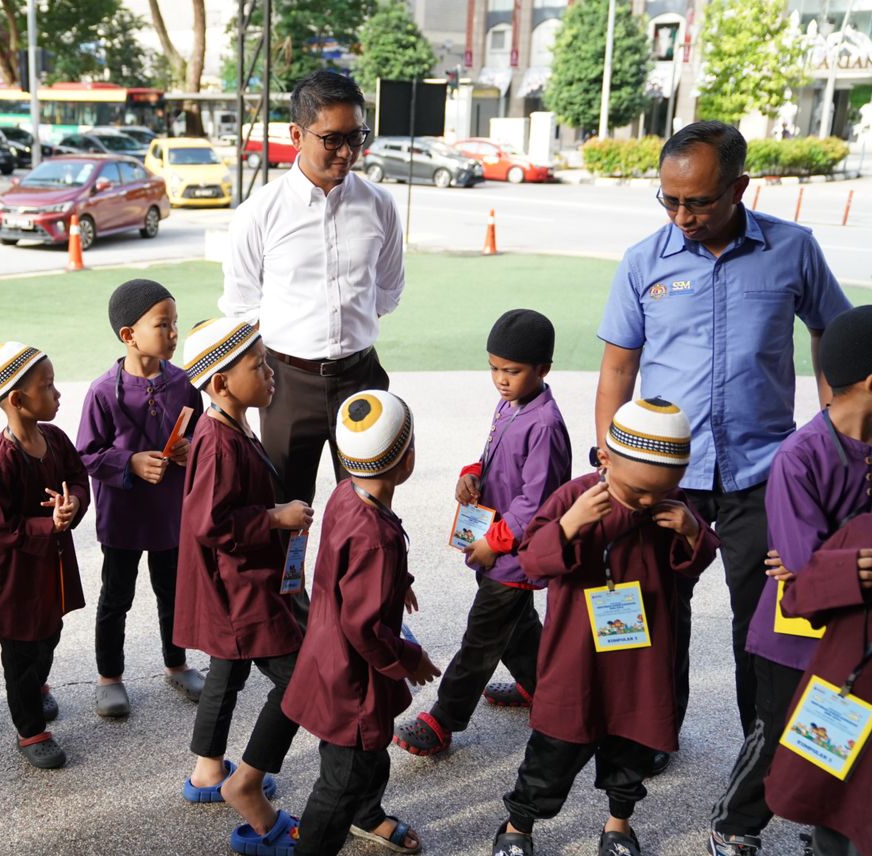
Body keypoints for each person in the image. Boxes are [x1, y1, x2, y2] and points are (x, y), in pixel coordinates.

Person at [594, 121, 851, 769]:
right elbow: (618, 370)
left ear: (739, 187)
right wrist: (611, 461)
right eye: (669, 199)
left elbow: (833, 333)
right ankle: (651, 736)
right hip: (662, 477)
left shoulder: (794, 250)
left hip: (763, 477)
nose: (682, 215)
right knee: (657, 612)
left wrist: (833, 424)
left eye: (699, 202)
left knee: (762, 621)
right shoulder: (642, 262)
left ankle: (759, 752)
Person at [492, 399, 719, 856]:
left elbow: (696, 561)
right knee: (551, 754)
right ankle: (518, 826)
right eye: (637, 492)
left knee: (630, 754)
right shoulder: (574, 498)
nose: (648, 502)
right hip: (576, 662)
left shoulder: (671, 506)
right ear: (605, 459)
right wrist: (570, 526)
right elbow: (532, 562)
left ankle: (618, 824)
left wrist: (693, 530)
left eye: (662, 491)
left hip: (641, 666)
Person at [707, 306, 872, 856]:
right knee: (781, 731)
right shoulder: (801, 456)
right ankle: (733, 822)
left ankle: (828, 823)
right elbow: (801, 570)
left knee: (847, 732)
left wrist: (834, 559)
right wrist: (846, 561)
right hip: (792, 634)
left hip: (853, 629)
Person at [219, 70, 404, 509]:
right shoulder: (258, 213)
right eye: (333, 139)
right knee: (286, 509)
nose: (347, 152)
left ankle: (356, 582)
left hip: (361, 378)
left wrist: (347, 330)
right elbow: (243, 307)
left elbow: (389, 289)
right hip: (285, 385)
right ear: (297, 135)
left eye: (357, 136)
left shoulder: (380, 205)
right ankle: (290, 583)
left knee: (368, 508)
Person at [393, 309, 571, 757]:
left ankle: (443, 721)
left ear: (543, 369)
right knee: (517, 627)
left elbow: (537, 504)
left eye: (512, 370)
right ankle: (544, 688)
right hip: (495, 543)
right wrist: (472, 474)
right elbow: (493, 455)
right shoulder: (510, 404)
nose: (501, 379)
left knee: (481, 638)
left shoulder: (545, 425)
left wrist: (493, 542)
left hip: (513, 553)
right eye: (494, 368)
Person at [174, 318, 314, 855]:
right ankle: (247, 791)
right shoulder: (218, 442)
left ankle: (209, 770)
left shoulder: (230, 426)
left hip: (236, 589)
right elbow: (211, 523)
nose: (271, 371)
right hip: (242, 592)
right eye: (257, 365)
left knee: (226, 674)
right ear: (220, 384)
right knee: (298, 678)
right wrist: (275, 519)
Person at [284, 390, 440, 856]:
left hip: (330, 657)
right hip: (352, 680)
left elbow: (351, 563)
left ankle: (367, 815)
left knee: (366, 757)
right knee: (341, 779)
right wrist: (412, 659)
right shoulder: (378, 540)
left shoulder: (345, 491)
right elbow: (365, 628)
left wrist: (399, 581)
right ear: (406, 460)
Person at [75, 279, 205, 718]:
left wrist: (191, 451)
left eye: (174, 324)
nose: (173, 334)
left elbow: (200, 437)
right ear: (129, 335)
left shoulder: (184, 385)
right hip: (124, 518)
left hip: (170, 514)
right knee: (117, 596)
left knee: (173, 592)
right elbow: (87, 454)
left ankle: (177, 663)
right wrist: (129, 462)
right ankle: (109, 677)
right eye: (162, 325)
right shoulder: (102, 391)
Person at [0, 342, 89, 770]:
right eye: (48, 386)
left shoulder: (54, 439)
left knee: (49, 632)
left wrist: (74, 503)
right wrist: (48, 526)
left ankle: (38, 685)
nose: (57, 394)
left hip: (50, 567)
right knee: (21, 649)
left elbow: (77, 476)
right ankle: (29, 730)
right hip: (16, 575)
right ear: (17, 399)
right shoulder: (0, 461)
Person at [765, 512, 872, 856]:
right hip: (847, 715)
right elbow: (797, 602)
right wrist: (846, 571)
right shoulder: (861, 530)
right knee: (838, 819)